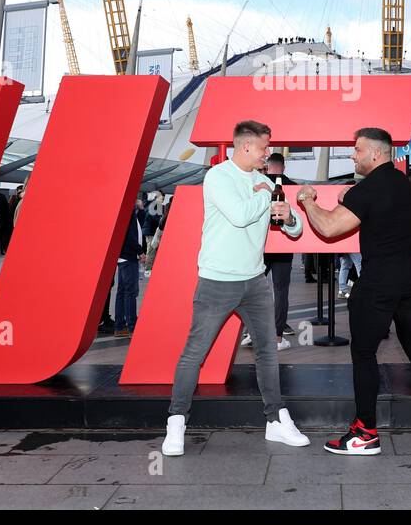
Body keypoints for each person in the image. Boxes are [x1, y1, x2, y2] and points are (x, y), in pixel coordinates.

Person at [162, 120, 310, 456]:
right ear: (245, 147)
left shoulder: (264, 181)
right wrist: (265, 199)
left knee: (267, 352)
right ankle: (176, 422)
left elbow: (295, 230)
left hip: (256, 281)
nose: (267, 154)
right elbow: (240, 215)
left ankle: (276, 421)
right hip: (217, 281)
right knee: (193, 355)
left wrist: (287, 217)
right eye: (263, 148)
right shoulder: (218, 176)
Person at [297, 127, 411, 455]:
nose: (353, 154)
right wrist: (348, 197)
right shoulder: (405, 185)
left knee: (364, 355)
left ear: (376, 154)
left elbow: (328, 228)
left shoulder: (366, 191)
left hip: (379, 281)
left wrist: (307, 201)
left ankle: (365, 433)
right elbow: (378, 213)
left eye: (357, 150)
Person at [247, 153, 294, 350]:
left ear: (269, 166)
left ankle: (251, 332)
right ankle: (277, 337)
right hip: (284, 247)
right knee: (281, 291)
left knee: (252, 289)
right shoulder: (292, 185)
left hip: (262, 245)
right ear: (283, 166)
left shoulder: (259, 185)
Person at [113, 200, 146, 336]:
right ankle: (132, 326)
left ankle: (120, 326)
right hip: (129, 256)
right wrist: (140, 251)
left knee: (122, 292)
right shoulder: (129, 212)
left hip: (122, 256)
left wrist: (141, 209)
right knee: (130, 292)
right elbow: (131, 236)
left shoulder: (125, 211)